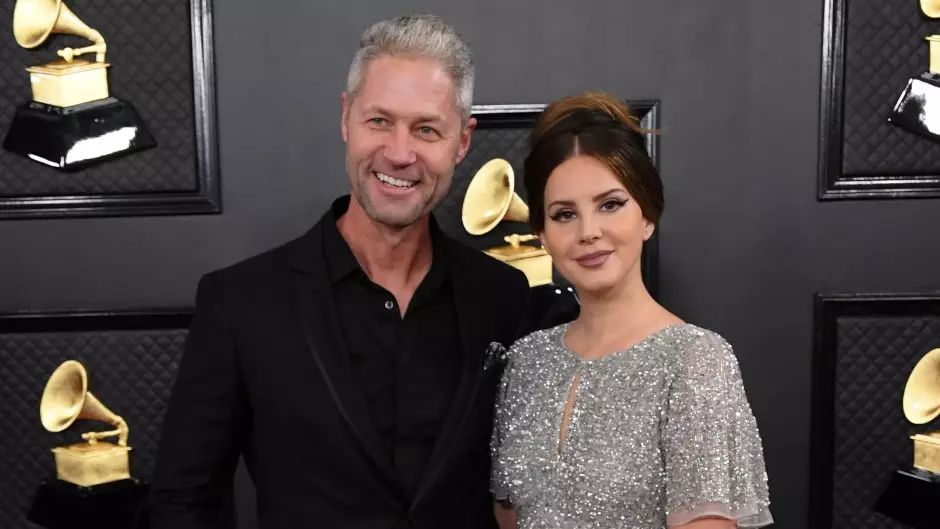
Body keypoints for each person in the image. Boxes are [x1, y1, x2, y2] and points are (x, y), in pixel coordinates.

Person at [148, 14, 574, 529]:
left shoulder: (503, 296)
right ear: (346, 118)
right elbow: (182, 502)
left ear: (462, 141)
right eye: (379, 121)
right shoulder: (240, 303)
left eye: (426, 129)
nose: (399, 153)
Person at [489, 92, 773, 529]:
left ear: (647, 214)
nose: (589, 232)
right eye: (564, 214)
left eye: (610, 204)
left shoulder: (695, 361)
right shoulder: (525, 362)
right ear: (542, 235)